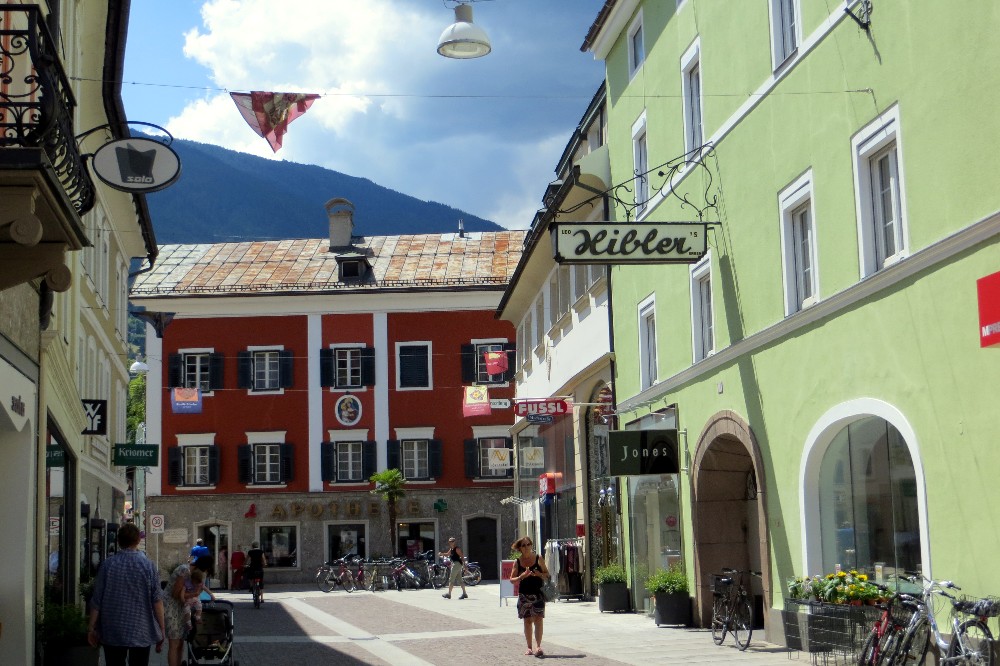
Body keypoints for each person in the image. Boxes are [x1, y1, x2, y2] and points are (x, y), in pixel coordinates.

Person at [86, 523, 165, 665]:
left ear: (118, 541)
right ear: (138, 541)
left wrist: (91, 627)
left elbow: (97, 600)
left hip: (113, 628)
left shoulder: (107, 565)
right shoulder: (148, 566)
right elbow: (157, 600)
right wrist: (161, 629)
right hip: (141, 628)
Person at [511, 536, 550, 657]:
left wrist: (539, 574)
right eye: (524, 545)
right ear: (520, 548)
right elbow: (512, 580)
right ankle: (529, 647)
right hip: (524, 595)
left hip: (538, 594)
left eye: (528, 544)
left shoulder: (539, 558)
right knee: (527, 621)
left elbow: (547, 575)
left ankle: (538, 646)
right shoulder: (517, 562)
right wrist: (521, 576)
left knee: (538, 620)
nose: (527, 547)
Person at [182, 568, 210, 632]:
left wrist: (211, 595)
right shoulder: (187, 583)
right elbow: (183, 593)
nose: (197, 585)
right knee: (187, 611)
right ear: (192, 580)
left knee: (199, 606)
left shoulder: (199, 583)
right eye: (196, 583)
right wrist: (182, 599)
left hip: (195, 599)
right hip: (188, 599)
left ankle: (198, 617)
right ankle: (188, 623)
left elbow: (205, 588)